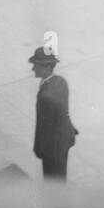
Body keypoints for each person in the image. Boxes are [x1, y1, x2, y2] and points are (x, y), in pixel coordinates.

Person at [30, 46, 78, 180]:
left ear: (46, 67)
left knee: (52, 182)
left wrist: (38, 149)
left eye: (36, 65)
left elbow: (43, 127)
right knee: (60, 177)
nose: (33, 69)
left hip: (52, 148)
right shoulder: (61, 81)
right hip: (64, 139)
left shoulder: (45, 97)